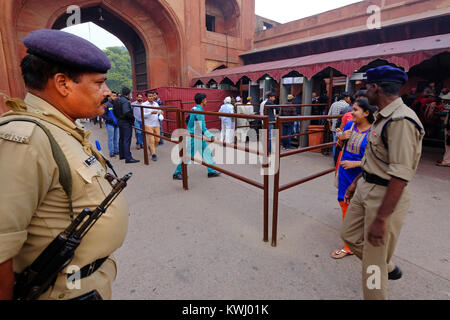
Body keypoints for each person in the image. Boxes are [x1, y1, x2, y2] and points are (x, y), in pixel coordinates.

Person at [0, 29, 129, 300]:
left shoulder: (61, 129)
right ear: (63, 83)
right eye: (99, 83)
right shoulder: (27, 139)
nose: (107, 92)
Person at [341, 66, 425, 300]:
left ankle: (379, 271)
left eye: (367, 86)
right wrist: (356, 182)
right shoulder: (381, 116)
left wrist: (381, 219)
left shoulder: (401, 121)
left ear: (376, 88)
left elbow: (400, 174)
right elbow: (374, 157)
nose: (364, 90)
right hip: (366, 185)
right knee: (349, 235)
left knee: (372, 267)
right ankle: (384, 265)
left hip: (386, 194)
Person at [332, 98, 376, 259]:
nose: (351, 112)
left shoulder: (374, 132)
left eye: (356, 110)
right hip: (345, 173)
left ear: (366, 113)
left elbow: (377, 159)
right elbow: (339, 148)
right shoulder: (350, 125)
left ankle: (354, 242)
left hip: (362, 175)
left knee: (360, 208)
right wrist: (341, 138)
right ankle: (349, 244)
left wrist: (356, 163)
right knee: (344, 204)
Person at [173, 93, 221, 180]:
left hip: (196, 135)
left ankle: (211, 171)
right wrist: (211, 137)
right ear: (202, 100)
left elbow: (187, 120)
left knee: (206, 152)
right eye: (206, 99)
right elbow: (203, 127)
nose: (206, 101)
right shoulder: (199, 112)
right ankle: (177, 173)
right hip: (194, 136)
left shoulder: (194, 108)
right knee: (188, 155)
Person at [115, 87, 139, 164]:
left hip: (119, 120)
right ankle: (128, 158)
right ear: (128, 94)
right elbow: (127, 112)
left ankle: (122, 155)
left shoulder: (117, 100)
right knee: (127, 139)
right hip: (125, 122)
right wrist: (133, 118)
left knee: (121, 138)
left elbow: (114, 111)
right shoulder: (126, 101)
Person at [327, 92, 351, 163]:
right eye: (349, 97)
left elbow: (328, 116)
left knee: (335, 143)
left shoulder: (333, 104)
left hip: (334, 127)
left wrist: (330, 126)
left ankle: (335, 160)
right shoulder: (347, 106)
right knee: (341, 144)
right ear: (345, 98)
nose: (349, 99)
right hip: (342, 129)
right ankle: (338, 160)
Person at [142, 91, 162, 161]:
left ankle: (150, 147)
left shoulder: (156, 104)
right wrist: (150, 113)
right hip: (148, 125)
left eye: (152, 96)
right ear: (146, 97)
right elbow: (143, 115)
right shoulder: (143, 104)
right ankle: (153, 154)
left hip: (156, 124)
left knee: (158, 139)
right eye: (149, 96)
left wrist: (161, 113)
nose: (151, 97)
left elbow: (159, 111)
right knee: (151, 140)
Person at [102, 91, 120, 157]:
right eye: (113, 96)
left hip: (117, 124)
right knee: (111, 138)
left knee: (116, 138)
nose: (115, 97)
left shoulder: (117, 104)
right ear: (109, 96)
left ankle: (116, 151)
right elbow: (103, 114)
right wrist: (110, 119)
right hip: (110, 124)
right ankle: (111, 152)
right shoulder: (107, 104)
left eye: (115, 96)